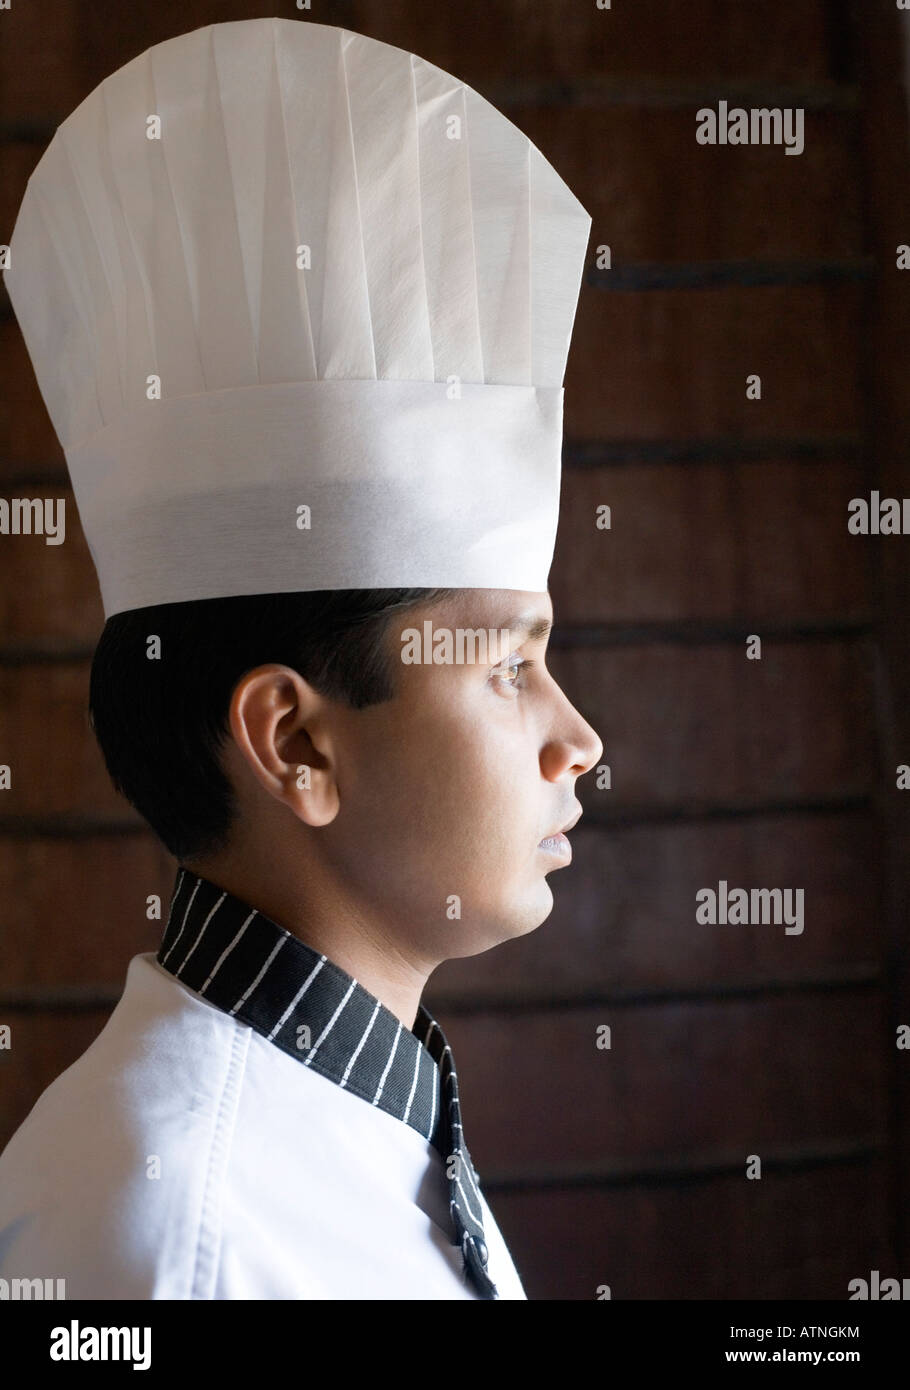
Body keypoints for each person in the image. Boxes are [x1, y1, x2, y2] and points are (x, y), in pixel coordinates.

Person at [0, 17, 601, 1299]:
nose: (578, 736)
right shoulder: (176, 1236)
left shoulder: (355, 1109)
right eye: (507, 667)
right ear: (294, 742)